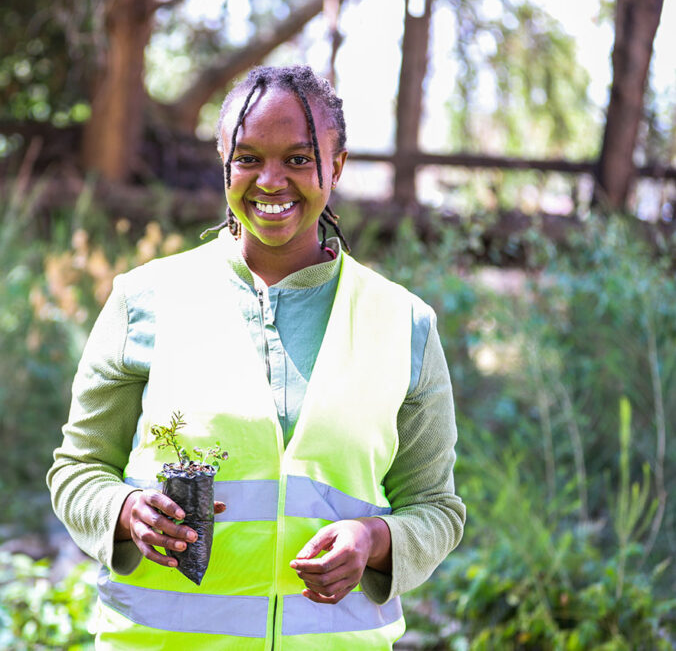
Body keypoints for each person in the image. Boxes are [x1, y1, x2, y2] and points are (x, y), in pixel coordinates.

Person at [47, 64, 465, 650]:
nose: (271, 181)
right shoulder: (145, 300)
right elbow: (78, 471)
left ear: (337, 166)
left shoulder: (403, 324)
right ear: (224, 160)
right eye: (248, 158)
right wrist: (124, 510)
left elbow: (436, 508)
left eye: (298, 159)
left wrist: (375, 540)